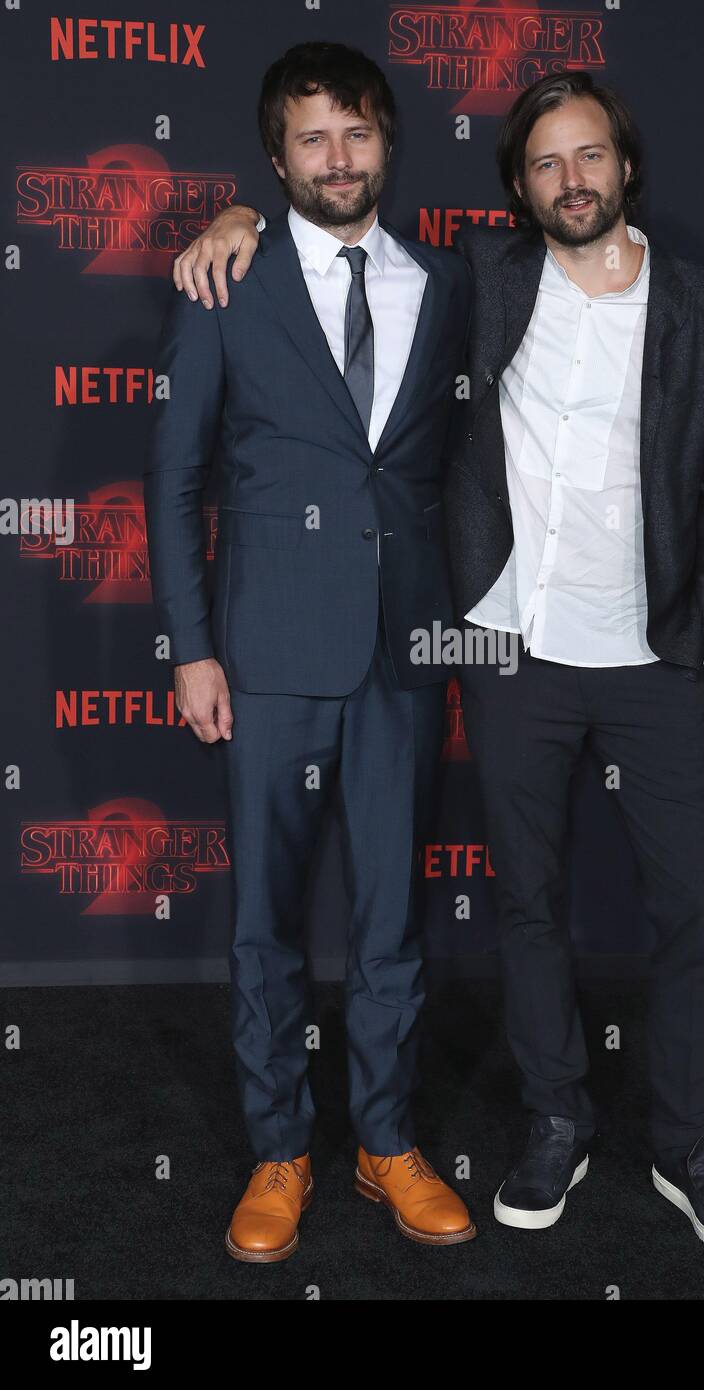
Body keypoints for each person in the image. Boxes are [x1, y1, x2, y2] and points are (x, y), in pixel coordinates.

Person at [173, 70, 704, 1260]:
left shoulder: (611, 299)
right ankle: (389, 1141)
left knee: (629, 916)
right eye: (546, 163)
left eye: (589, 157)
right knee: (425, 914)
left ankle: (634, 1146)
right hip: (437, 652)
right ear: (517, 186)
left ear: (625, 167)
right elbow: (193, 450)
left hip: (571, 657)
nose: (572, 180)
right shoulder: (435, 283)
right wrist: (230, 220)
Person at [144, 40, 476, 1263]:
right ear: (276, 157)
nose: (336, 158)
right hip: (268, 652)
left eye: (356, 133)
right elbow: (173, 480)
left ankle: (385, 1141)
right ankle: (279, 1147)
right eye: (309, 138)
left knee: (391, 920)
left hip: (403, 655)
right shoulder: (225, 281)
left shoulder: (449, 283)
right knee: (265, 923)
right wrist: (190, 646)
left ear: (388, 143)